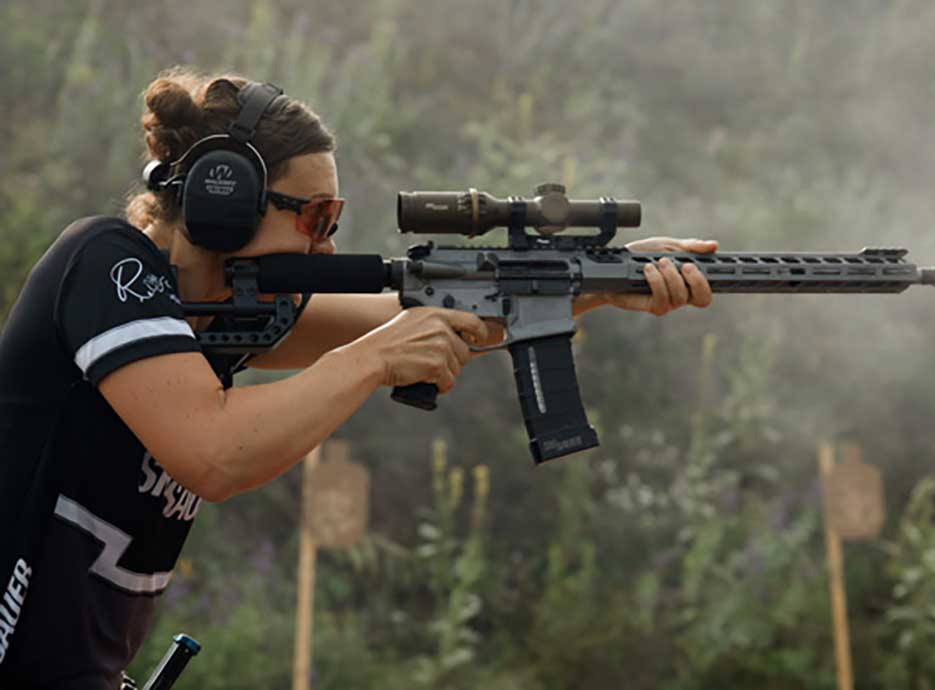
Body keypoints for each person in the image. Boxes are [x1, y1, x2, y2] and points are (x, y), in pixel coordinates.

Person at [0, 67, 717, 689]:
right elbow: (215, 453)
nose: (328, 244)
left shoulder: (220, 316)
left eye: (333, 218)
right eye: (314, 216)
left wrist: (597, 283)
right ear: (225, 201)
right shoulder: (107, 264)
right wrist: (372, 360)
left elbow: (433, 313)